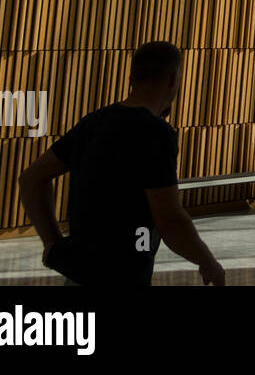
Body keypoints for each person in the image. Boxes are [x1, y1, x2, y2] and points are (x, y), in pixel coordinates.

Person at [18, 41, 225, 286]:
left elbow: (31, 179)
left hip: (80, 273)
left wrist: (52, 243)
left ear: (131, 78)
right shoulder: (156, 132)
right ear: (173, 79)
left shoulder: (94, 122)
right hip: (123, 275)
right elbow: (169, 219)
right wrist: (208, 263)